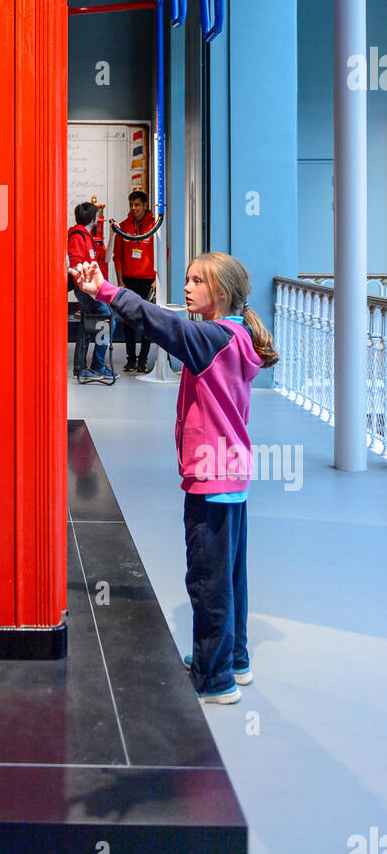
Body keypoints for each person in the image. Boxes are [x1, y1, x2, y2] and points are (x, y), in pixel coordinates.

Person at [72, 251, 278, 704]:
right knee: (230, 577)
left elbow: (157, 324)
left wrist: (104, 290)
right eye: (186, 279)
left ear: (219, 293)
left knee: (206, 581)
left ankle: (215, 681)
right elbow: (166, 318)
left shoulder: (208, 338)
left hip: (211, 477)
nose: (186, 288)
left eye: (195, 281)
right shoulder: (236, 334)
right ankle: (235, 661)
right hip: (232, 474)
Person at [111, 190, 157, 372]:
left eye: (137, 205)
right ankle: (131, 360)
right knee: (129, 321)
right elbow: (118, 257)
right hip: (129, 281)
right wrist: (120, 281)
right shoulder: (123, 227)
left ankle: (142, 361)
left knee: (146, 321)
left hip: (148, 281)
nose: (134, 208)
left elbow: (164, 252)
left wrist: (157, 281)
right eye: (131, 205)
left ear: (145, 205)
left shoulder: (154, 227)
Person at [67, 202, 112, 382]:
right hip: (87, 289)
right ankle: (97, 364)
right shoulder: (78, 236)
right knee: (108, 320)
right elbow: (75, 262)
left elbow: (107, 257)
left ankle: (82, 367)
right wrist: (90, 289)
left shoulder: (88, 237)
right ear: (93, 218)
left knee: (86, 326)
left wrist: (113, 236)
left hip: (90, 288)